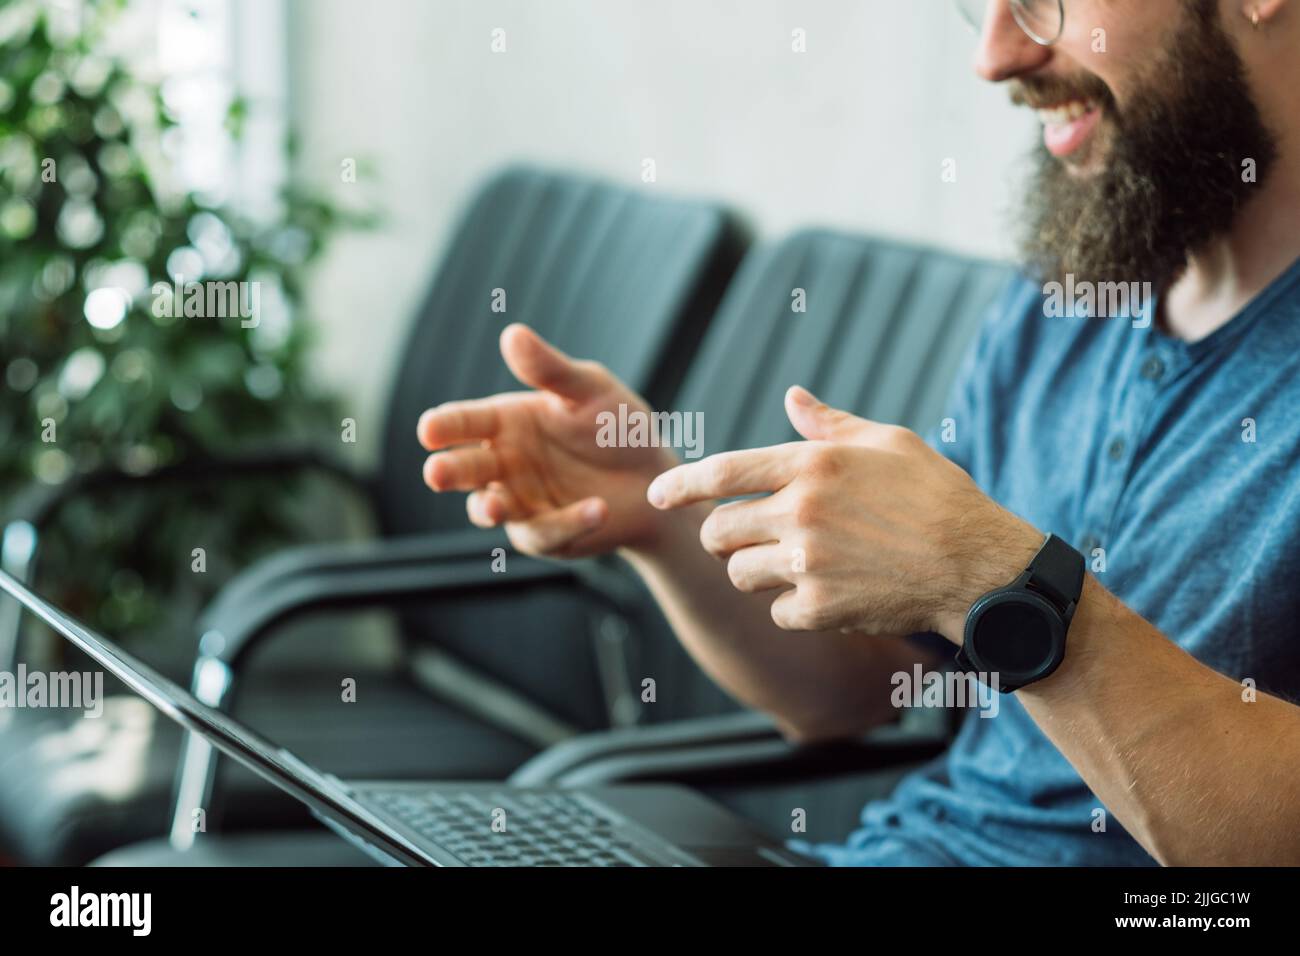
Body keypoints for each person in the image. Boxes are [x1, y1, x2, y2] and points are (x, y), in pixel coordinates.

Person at [416, 0, 1300, 866]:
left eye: (1042, 2)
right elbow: (866, 694)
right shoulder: (1067, 296)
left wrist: (1008, 591)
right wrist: (662, 516)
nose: (993, 57)